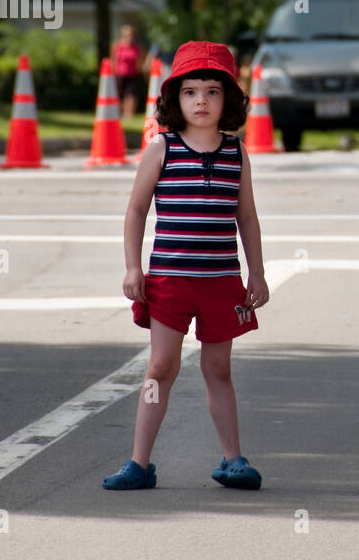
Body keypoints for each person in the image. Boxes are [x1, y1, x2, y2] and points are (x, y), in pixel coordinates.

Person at [104, 41, 270, 490]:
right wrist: (132, 267)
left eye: (213, 91)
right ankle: (139, 463)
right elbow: (136, 210)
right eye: (191, 91)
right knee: (161, 367)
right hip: (170, 281)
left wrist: (256, 272)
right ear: (175, 99)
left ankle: (233, 459)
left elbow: (247, 217)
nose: (202, 100)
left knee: (219, 370)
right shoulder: (162, 148)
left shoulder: (237, 154)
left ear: (229, 100)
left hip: (221, 282)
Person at [113, 24, 144, 118]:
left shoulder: (137, 47)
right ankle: (119, 112)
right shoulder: (117, 46)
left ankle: (129, 113)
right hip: (120, 74)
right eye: (127, 35)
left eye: (131, 35)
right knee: (119, 94)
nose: (129, 37)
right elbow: (113, 60)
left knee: (131, 94)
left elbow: (140, 60)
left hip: (133, 74)